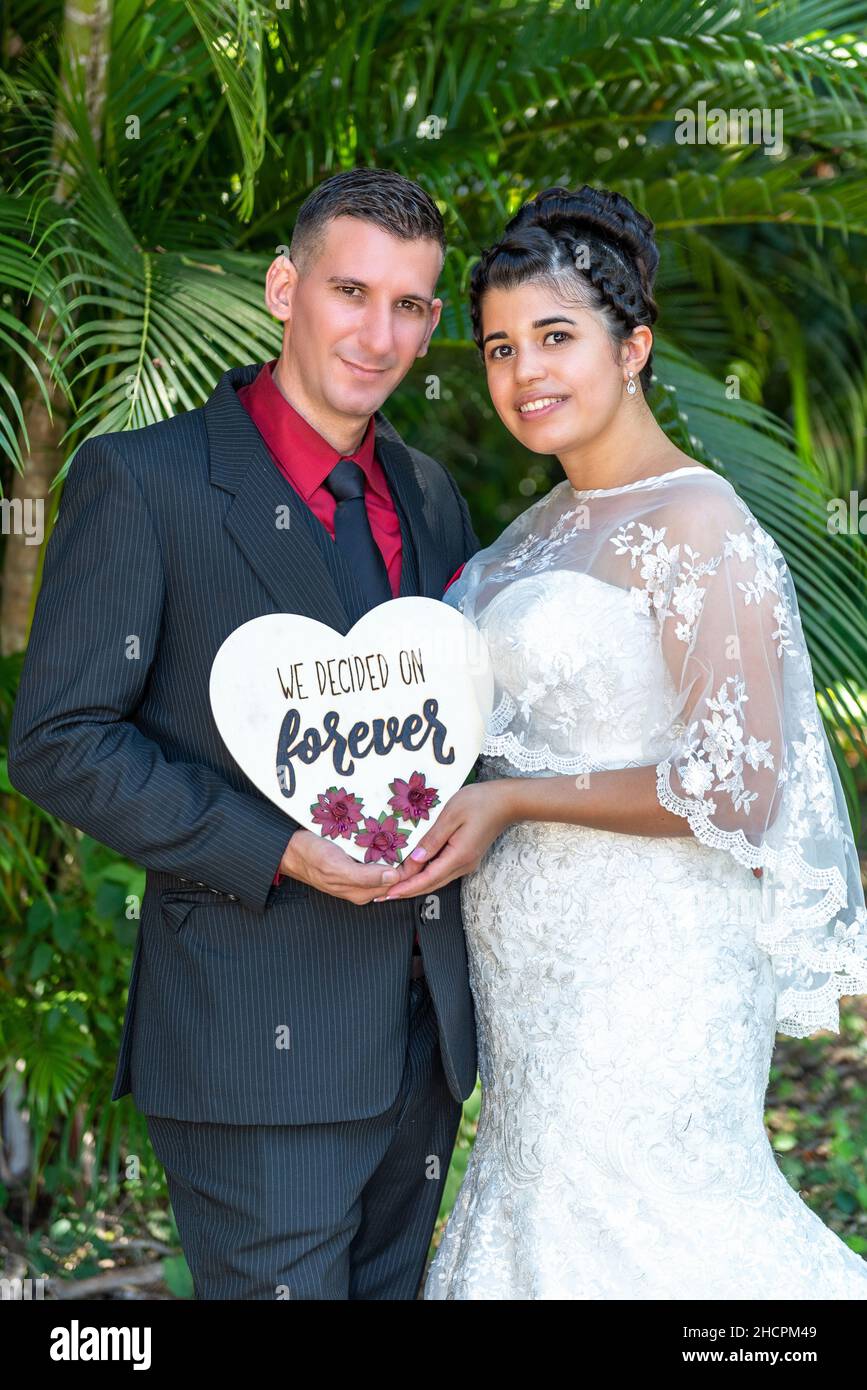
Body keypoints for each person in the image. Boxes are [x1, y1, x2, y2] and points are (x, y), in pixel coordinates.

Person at [376, 184, 867, 1299]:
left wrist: (513, 800)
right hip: (527, 972)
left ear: (633, 348)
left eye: (556, 336)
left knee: (656, 1225)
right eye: (499, 347)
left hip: (654, 959)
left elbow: (737, 785)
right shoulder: (529, 537)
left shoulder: (699, 522)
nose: (523, 372)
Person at [7, 167, 483, 1300]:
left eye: (409, 306)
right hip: (253, 1047)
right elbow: (59, 739)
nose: (378, 335)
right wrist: (278, 848)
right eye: (350, 291)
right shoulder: (145, 482)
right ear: (283, 288)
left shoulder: (429, 496)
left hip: (425, 1046)